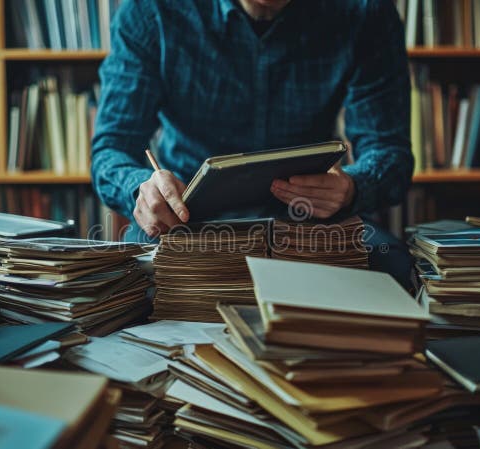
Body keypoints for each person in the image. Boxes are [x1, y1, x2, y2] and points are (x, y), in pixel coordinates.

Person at [91, 0, 413, 285]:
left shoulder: (366, 12)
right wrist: (142, 189)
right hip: (186, 220)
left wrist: (351, 188)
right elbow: (111, 150)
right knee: (131, 291)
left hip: (312, 220)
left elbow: (389, 152)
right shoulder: (151, 11)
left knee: (398, 274)